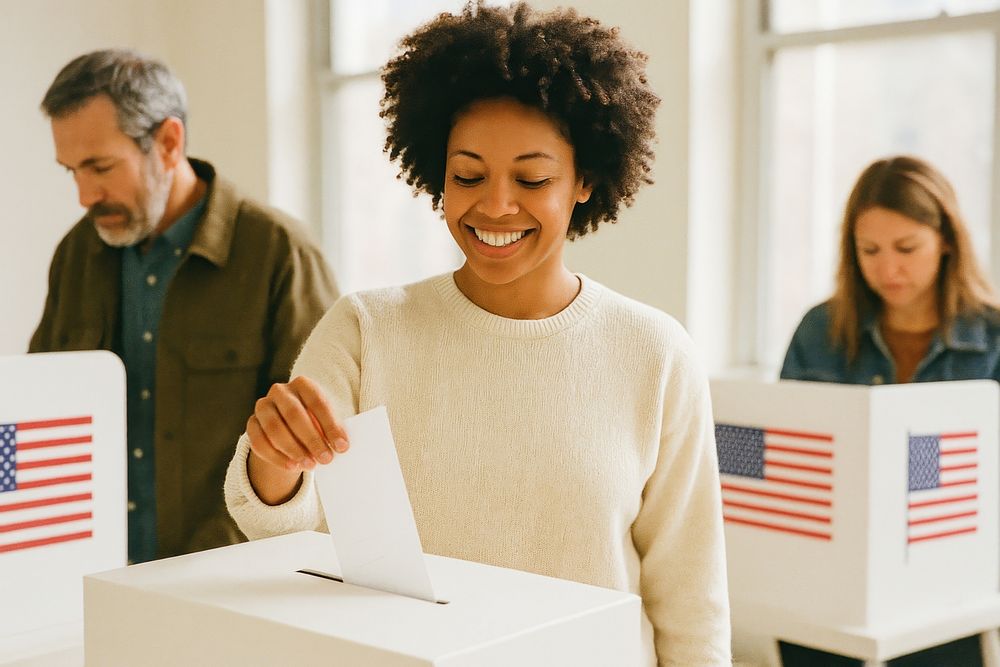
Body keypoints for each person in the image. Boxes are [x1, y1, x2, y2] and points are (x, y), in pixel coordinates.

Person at [224, 2, 731, 664]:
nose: (495, 205)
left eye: (532, 177)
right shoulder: (365, 330)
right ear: (437, 174)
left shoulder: (656, 354)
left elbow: (690, 600)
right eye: (468, 175)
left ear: (583, 180)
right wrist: (275, 459)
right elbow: (273, 524)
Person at [30, 49, 339, 564]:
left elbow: (317, 454)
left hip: (229, 583)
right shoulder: (75, 255)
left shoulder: (279, 253)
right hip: (90, 574)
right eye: (71, 171)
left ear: (169, 143)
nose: (84, 195)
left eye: (100, 167)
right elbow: (44, 415)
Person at [780, 155, 998, 665]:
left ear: (946, 240)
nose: (888, 269)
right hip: (829, 582)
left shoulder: (993, 338)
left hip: (950, 585)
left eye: (907, 248)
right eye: (869, 250)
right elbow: (791, 447)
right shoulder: (820, 330)